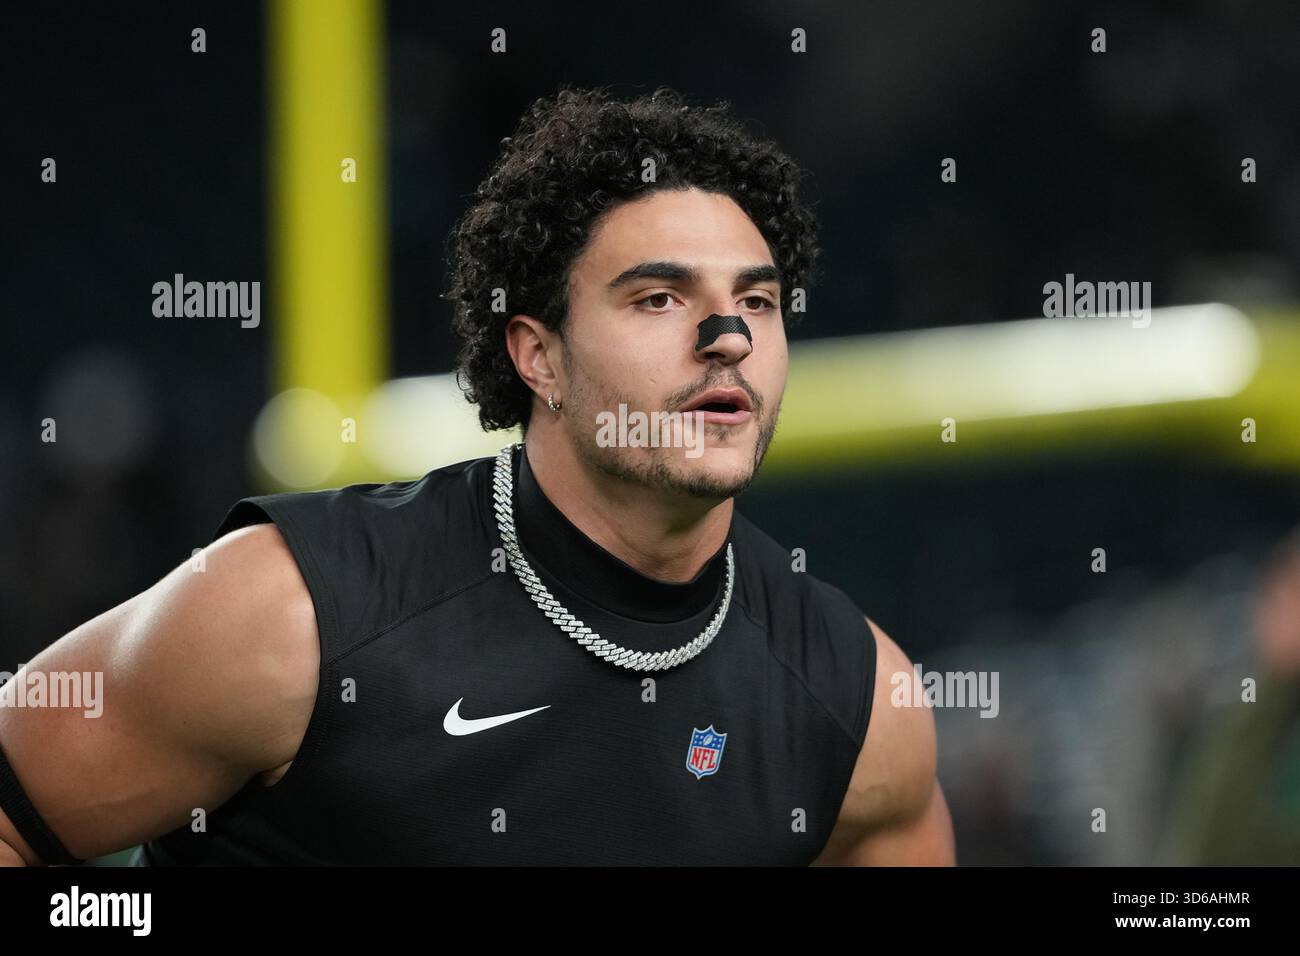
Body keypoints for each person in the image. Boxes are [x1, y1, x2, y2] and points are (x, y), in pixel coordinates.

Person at [0, 85, 954, 866]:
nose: (729, 339)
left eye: (758, 300)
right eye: (659, 298)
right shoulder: (288, 615)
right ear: (537, 356)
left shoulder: (858, 700)